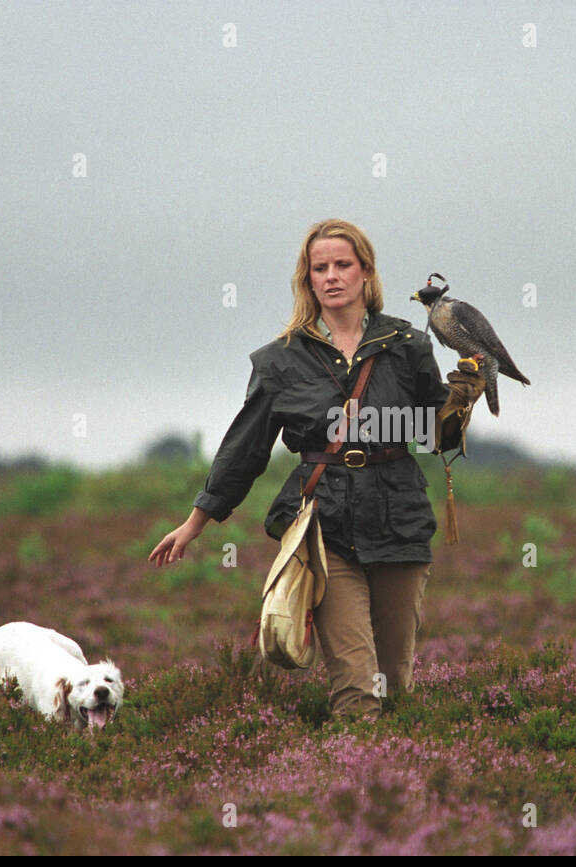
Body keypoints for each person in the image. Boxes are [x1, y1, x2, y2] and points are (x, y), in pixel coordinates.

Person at [148, 218, 485, 720]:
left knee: (395, 686)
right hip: (324, 529)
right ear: (307, 281)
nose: (331, 276)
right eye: (318, 268)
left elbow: (435, 435)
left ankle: (396, 788)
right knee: (357, 691)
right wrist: (197, 520)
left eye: (342, 265)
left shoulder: (408, 345)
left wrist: (464, 395)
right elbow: (245, 448)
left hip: (400, 520)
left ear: (366, 273)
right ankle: (347, 784)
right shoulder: (281, 361)